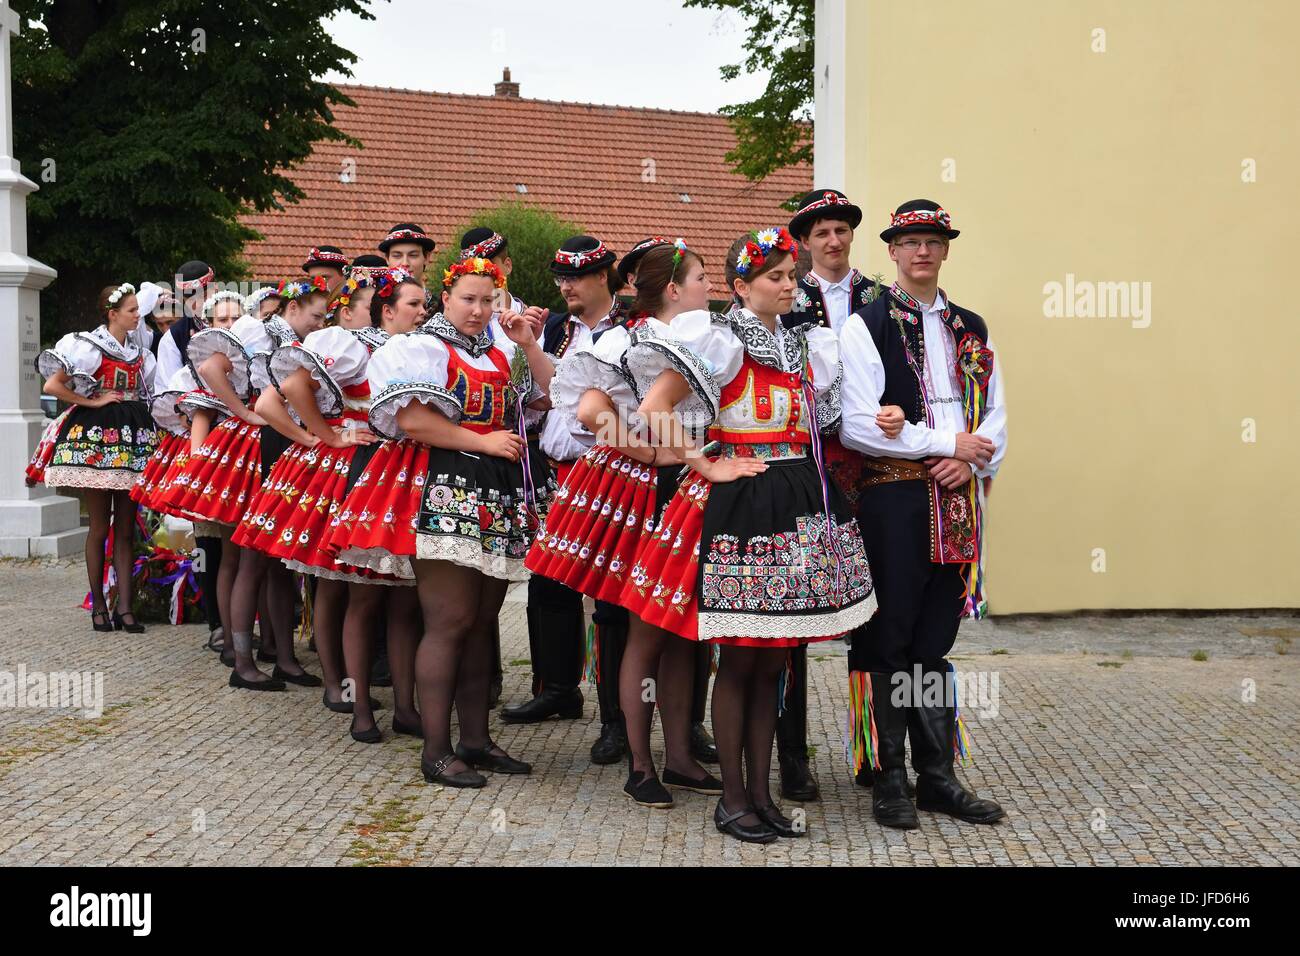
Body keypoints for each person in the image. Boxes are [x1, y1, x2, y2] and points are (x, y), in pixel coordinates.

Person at [626, 227, 883, 843]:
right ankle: (733, 799)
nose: (789, 286)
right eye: (775, 277)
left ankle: (762, 796)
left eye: (792, 276)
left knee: (773, 663)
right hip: (740, 511)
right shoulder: (718, 340)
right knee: (740, 660)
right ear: (740, 287)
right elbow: (652, 409)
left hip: (793, 505)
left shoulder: (805, 344)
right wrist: (705, 463)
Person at [528, 239, 723, 807]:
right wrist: (650, 453)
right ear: (674, 290)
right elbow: (589, 411)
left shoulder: (709, 337)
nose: (709, 287)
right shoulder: (619, 340)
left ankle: (680, 755)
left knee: (685, 629)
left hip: (692, 483)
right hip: (647, 487)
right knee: (645, 627)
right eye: (701, 278)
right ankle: (640, 764)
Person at [839, 199, 1007, 829]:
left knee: (935, 640)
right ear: (891, 250)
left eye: (933, 240)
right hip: (894, 498)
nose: (922, 251)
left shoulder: (971, 327)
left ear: (945, 249)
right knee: (889, 635)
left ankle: (937, 776)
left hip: (956, 498)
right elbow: (858, 425)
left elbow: (996, 414)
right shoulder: (867, 324)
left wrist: (974, 460)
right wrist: (946, 444)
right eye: (910, 241)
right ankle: (888, 777)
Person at [358, 260, 553, 786]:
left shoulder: (500, 350)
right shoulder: (420, 348)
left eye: (488, 300)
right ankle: (436, 752)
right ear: (444, 299)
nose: (479, 310)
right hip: (446, 488)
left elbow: (553, 396)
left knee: (481, 621)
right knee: (449, 620)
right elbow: (412, 420)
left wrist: (528, 343)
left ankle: (475, 740)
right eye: (468, 298)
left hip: (495, 490)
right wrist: (482, 441)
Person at [766, 188, 882, 801]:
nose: (833, 241)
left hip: (872, 472)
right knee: (792, 617)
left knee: (874, 612)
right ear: (805, 243)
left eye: (841, 229)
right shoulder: (785, 297)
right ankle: (793, 755)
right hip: (802, 470)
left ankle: (873, 748)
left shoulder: (881, 300)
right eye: (821, 233)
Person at [500, 235, 629, 768]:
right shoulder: (556, 328)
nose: (565, 287)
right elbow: (541, 396)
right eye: (561, 278)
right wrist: (530, 345)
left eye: (574, 277)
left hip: (613, 471)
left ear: (602, 276)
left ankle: (617, 720)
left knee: (611, 598)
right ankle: (557, 688)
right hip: (560, 474)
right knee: (549, 585)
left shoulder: (631, 328)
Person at [35, 283, 158, 633]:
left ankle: (125, 608)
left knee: (126, 529)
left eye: (138, 310)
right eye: (132, 311)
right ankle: (99, 607)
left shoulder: (139, 351)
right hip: (98, 437)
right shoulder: (89, 346)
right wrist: (92, 401)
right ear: (113, 314)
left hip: (132, 437)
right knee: (100, 526)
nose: (138, 316)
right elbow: (52, 386)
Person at [154, 260, 216, 387]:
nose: (199, 304)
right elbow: (173, 387)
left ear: (215, 288)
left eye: (204, 296)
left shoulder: (238, 321)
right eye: (191, 300)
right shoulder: (172, 338)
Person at [378, 223, 435, 308]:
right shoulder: (376, 307)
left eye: (413, 255)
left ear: (426, 257)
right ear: (387, 259)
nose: (405, 263)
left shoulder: (442, 308)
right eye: (397, 256)